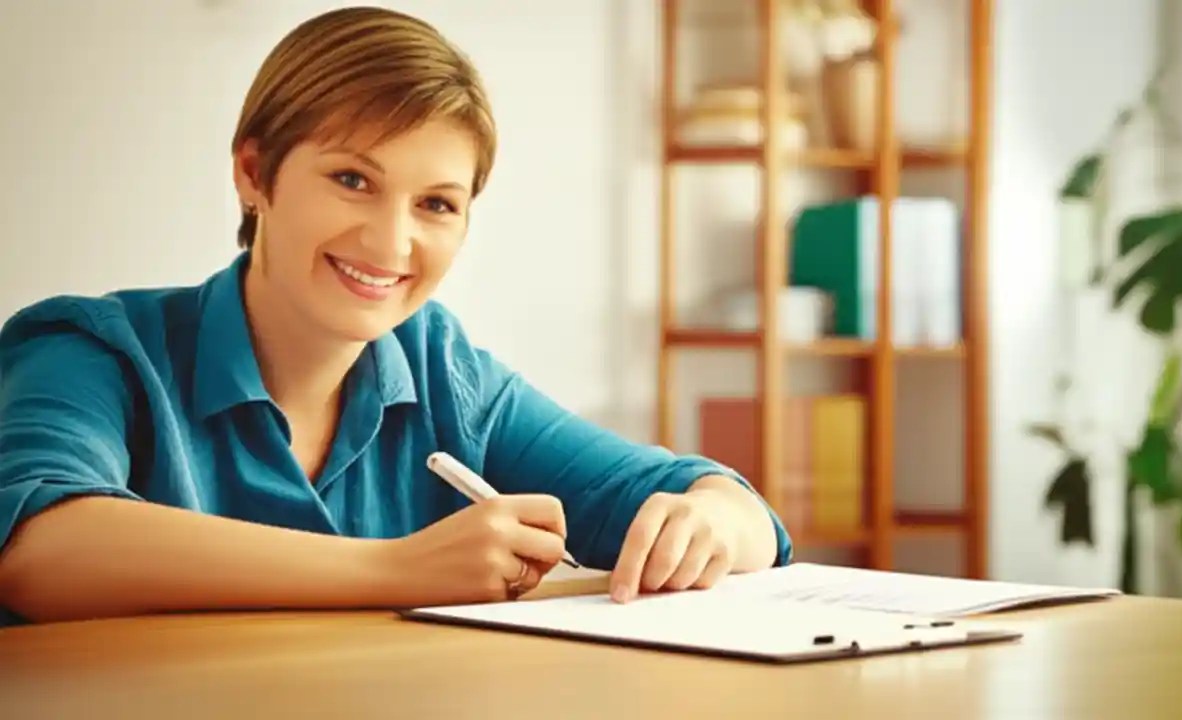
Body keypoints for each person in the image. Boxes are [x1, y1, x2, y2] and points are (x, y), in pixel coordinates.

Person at [0, 7, 791, 626]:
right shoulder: (91, 350)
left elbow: (727, 510)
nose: (391, 240)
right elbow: (36, 548)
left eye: (437, 203)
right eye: (351, 179)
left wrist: (712, 519)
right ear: (253, 173)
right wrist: (399, 569)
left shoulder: (443, 372)